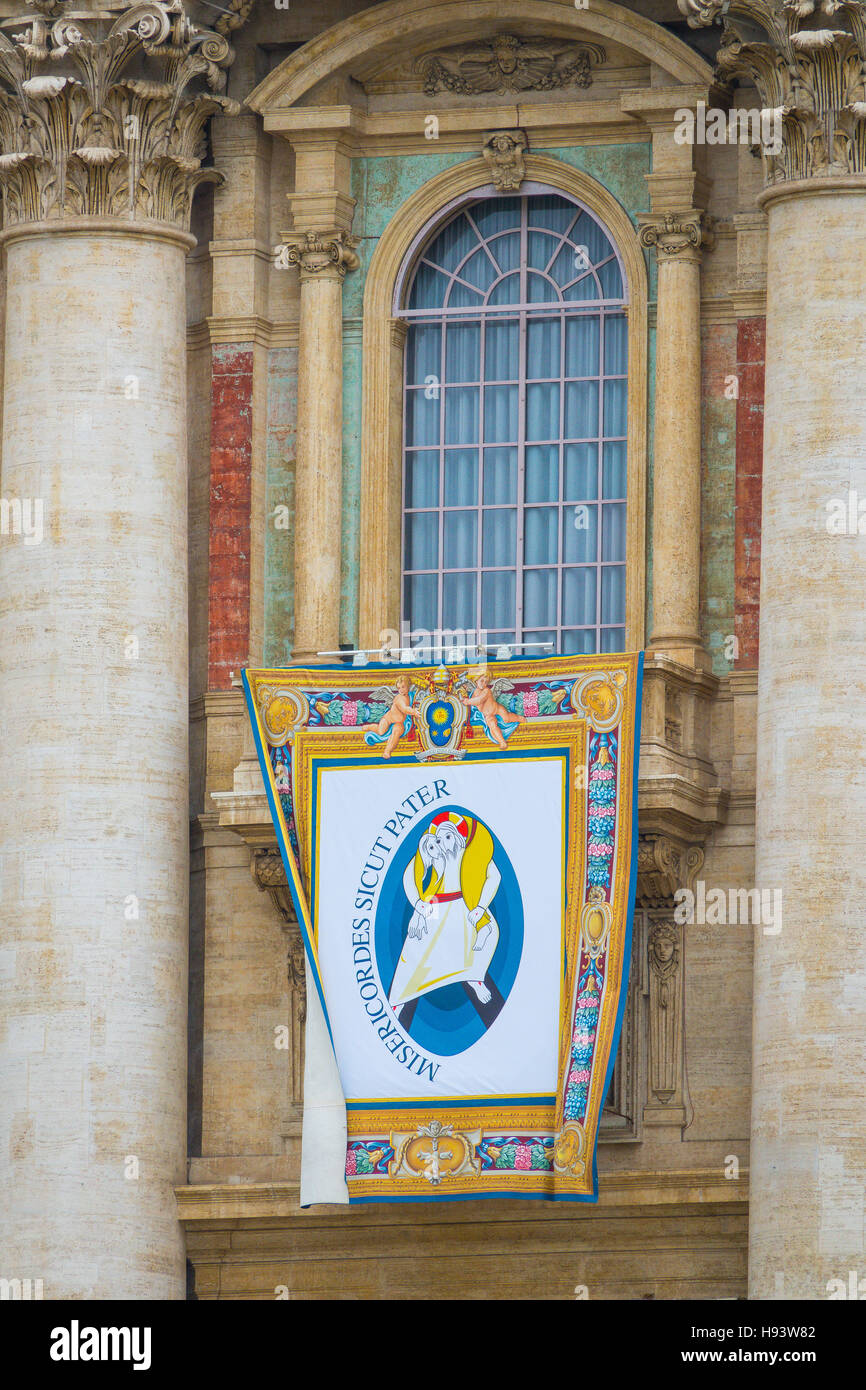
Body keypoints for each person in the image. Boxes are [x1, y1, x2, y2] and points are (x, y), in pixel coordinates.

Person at [389, 811, 500, 1009]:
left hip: (467, 906)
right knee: (414, 950)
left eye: (448, 837)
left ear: (458, 836)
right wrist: (418, 903)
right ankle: (399, 1002)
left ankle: (475, 978)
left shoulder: (473, 853)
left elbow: (495, 877)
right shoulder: (434, 853)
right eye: (439, 840)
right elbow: (409, 876)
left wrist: (481, 907)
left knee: (486, 935)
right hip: (436, 908)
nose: (443, 843)